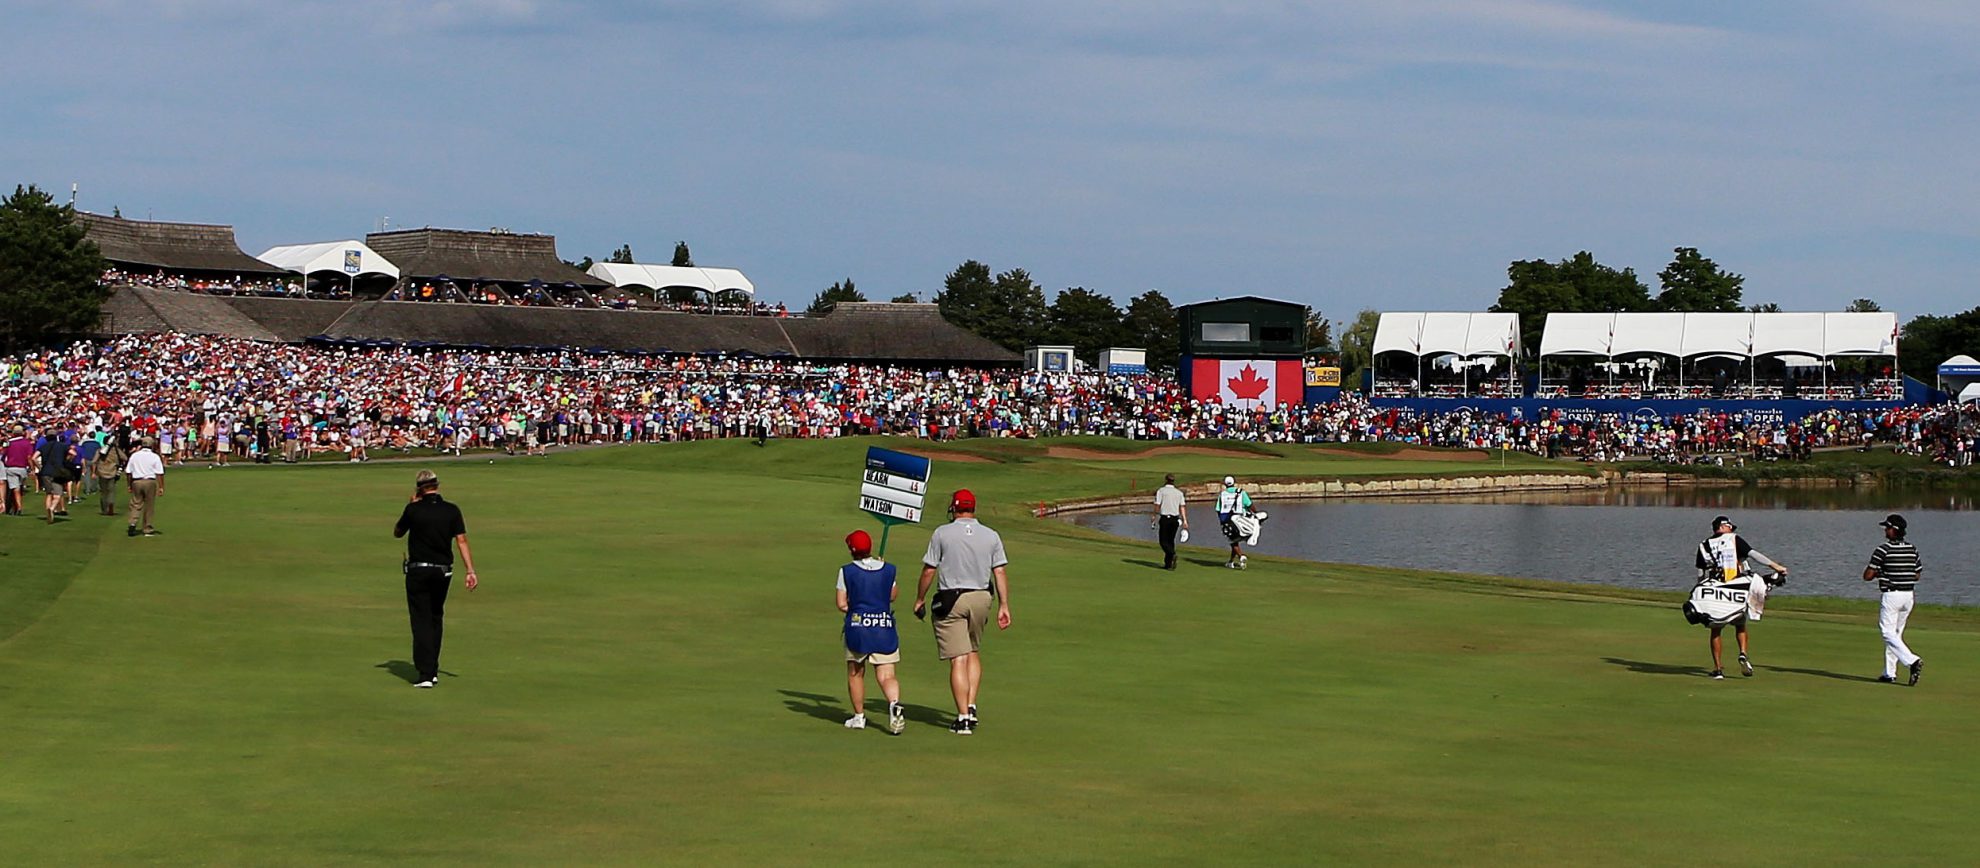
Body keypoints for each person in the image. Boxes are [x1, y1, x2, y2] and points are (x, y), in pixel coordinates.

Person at [913, 489, 1012, 735]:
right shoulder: (991, 535)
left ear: (954, 508)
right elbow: (999, 572)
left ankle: (963, 718)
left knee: (958, 658)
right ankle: (971, 703)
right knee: (972, 651)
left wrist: (919, 599)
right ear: (973, 508)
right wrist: (1004, 605)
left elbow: (928, 571)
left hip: (952, 599)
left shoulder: (942, 533)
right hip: (982, 597)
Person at [393, 470, 478, 688]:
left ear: (419, 489)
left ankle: (426, 674)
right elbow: (462, 541)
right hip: (443, 571)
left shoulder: (413, 510)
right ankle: (433, 669)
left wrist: (411, 504)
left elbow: (398, 532)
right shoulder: (451, 510)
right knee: (435, 617)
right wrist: (470, 570)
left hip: (419, 570)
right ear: (437, 486)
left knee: (420, 620)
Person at [1693, 515, 1787, 679]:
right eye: (1729, 526)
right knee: (1740, 625)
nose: (1731, 529)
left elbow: (1701, 573)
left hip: (1716, 589)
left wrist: (1700, 593)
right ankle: (1743, 652)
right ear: (1722, 527)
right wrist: (1775, 566)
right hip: (1738, 586)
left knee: (1715, 629)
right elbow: (1754, 555)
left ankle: (1718, 669)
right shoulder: (1733, 539)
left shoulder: (1704, 546)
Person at [837, 529, 905, 735]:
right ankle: (894, 704)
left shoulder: (846, 571)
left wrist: (858, 609)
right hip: (884, 626)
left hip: (858, 627)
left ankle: (859, 717)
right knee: (886, 674)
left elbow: (841, 604)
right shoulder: (888, 569)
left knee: (856, 671)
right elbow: (892, 596)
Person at [1862, 514, 1923, 686]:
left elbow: (1867, 576)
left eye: (1887, 528)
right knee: (1896, 636)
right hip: (1908, 596)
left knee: (1887, 633)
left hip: (1892, 595)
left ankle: (1912, 661)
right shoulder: (1912, 549)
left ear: (1894, 530)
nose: (1885, 531)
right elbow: (1916, 574)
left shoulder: (1883, 549)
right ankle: (1889, 673)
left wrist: (1882, 573)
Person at [124, 437, 165, 537]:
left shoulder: (134, 456)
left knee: (136, 503)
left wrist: (129, 484)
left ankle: (132, 523)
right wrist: (161, 487)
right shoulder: (154, 456)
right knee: (149, 505)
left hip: (136, 481)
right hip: (149, 481)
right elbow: (160, 473)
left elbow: (128, 472)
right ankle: (147, 528)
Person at [1151, 473, 1189, 570]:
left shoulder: (1161, 491)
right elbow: (1182, 507)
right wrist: (1185, 520)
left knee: (1163, 541)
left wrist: (1154, 515)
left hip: (1165, 519)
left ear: (1165, 480)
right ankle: (1168, 564)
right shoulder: (1179, 493)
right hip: (1175, 519)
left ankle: (1172, 554)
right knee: (1170, 541)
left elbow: (1157, 505)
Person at [1215, 476, 1253, 570]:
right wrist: (1256, 514)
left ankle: (1241, 556)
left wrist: (1222, 522)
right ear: (1234, 483)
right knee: (1234, 542)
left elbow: (1218, 510)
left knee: (1232, 541)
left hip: (1228, 521)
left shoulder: (1222, 494)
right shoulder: (1241, 492)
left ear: (1225, 484)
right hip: (1241, 520)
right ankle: (1231, 562)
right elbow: (1249, 505)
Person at [3, 424, 33, 516]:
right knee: (18, 488)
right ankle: (17, 507)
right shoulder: (27, 443)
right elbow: (29, 457)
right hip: (22, 468)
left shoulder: (9, 442)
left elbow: (4, 455)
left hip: (11, 467)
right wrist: (31, 468)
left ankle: (18, 507)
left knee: (15, 489)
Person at [91, 434, 125, 516]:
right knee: (111, 491)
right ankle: (110, 506)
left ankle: (104, 509)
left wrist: (93, 472)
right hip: (112, 472)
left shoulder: (100, 450)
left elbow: (94, 461)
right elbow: (124, 458)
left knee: (103, 492)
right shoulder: (115, 451)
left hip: (102, 472)